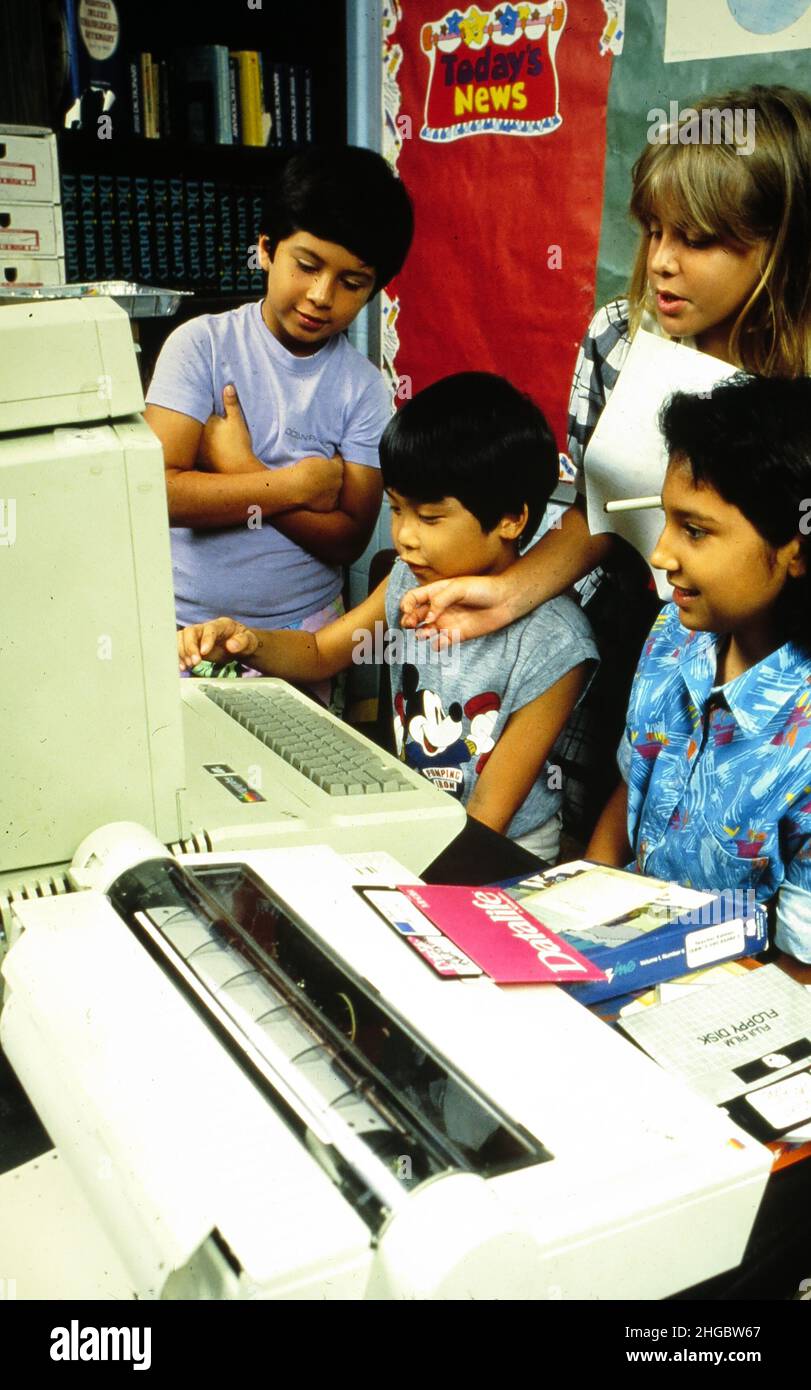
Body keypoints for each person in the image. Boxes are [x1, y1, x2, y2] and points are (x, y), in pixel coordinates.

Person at [399, 85, 811, 827]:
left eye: (698, 240)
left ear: (779, 239)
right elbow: (598, 506)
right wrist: (511, 592)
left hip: (774, 686)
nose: (660, 263)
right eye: (653, 231)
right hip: (639, 645)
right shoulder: (618, 337)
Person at [177, 373, 598, 860]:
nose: (404, 537)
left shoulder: (554, 640)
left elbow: (487, 815)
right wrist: (247, 641)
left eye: (430, 517)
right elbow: (320, 653)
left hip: (501, 849)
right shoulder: (407, 580)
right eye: (396, 510)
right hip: (416, 824)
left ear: (511, 519)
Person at [144, 146, 414, 686]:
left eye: (351, 283)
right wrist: (300, 484)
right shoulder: (201, 346)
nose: (321, 296)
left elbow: (347, 539)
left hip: (303, 636)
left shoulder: (363, 388)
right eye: (307, 266)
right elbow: (160, 495)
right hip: (182, 630)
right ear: (267, 249)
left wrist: (239, 467)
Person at [587, 376, 811, 974]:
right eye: (666, 521)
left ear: (798, 550)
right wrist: (578, 926)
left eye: (696, 529)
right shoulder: (672, 633)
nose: (660, 554)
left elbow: (799, 970)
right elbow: (630, 788)